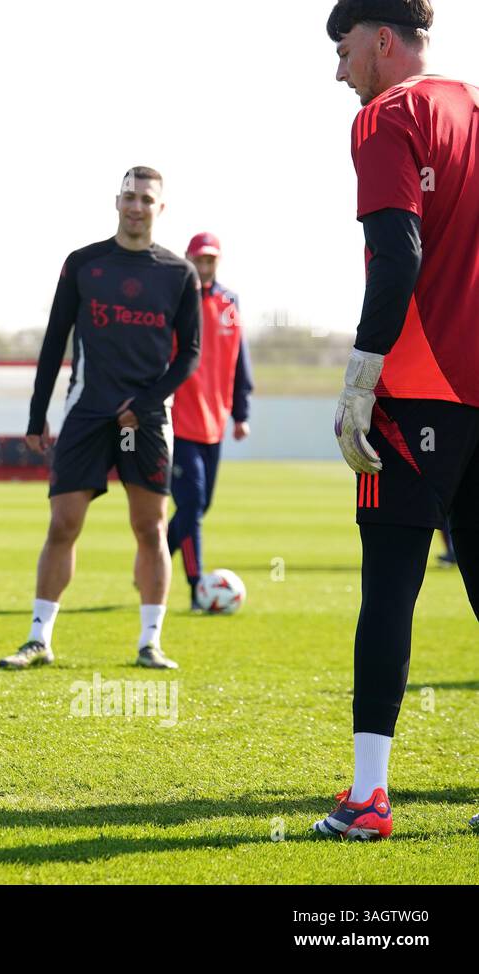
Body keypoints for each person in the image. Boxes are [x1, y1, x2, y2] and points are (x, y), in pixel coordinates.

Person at [317, 0, 479, 840]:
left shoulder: (391, 113)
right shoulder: (473, 108)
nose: (338, 69)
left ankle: (369, 798)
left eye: (344, 50)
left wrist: (362, 371)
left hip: (417, 391)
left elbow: (399, 252)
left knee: (390, 590)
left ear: (383, 41)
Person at [0, 167, 201, 673]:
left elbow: (190, 355)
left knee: (150, 527)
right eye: (129, 197)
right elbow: (54, 340)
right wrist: (35, 414)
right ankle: (38, 638)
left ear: (161, 208)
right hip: (87, 412)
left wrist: (148, 402)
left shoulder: (180, 274)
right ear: (117, 201)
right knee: (63, 524)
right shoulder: (83, 264)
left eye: (147, 200)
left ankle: (150, 642)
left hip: (148, 420)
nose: (137, 206)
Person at [167, 232, 254, 609]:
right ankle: (196, 588)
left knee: (199, 507)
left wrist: (240, 413)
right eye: (198, 259)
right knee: (192, 505)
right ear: (187, 258)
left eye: (210, 260)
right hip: (178, 420)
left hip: (215, 421)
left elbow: (239, 359)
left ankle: (152, 558)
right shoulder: (173, 299)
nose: (204, 266)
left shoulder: (230, 302)